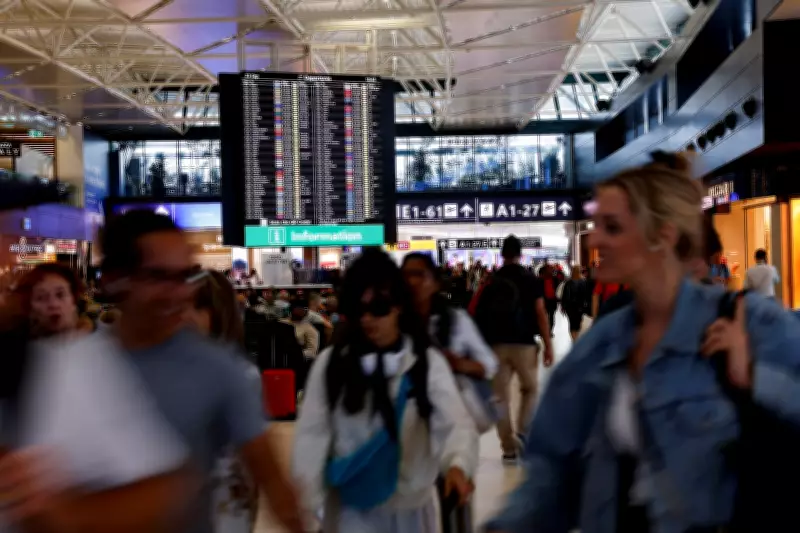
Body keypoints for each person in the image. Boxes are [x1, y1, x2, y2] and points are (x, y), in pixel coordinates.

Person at [486, 152, 800, 533]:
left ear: (662, 237)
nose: (596, 238)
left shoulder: (748, 321)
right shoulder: (602, 345)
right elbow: (553, 472)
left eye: (612, 227)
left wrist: (755, 377)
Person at [98, 209, 304, 533]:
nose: (177, 294)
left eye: (184, 276)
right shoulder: (77, 368)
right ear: (114, 280)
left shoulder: (221, 372)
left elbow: (271, 484)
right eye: (157, 276)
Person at [292, 249, 477, 533]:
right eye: (358, 310)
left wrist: (457, 465)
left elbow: (454, 423)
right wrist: (303, 507)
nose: (368, 320)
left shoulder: (424, 362)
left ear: (399, 306)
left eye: (379, 308)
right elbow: (311, 438)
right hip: (350, 515)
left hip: (412, 514)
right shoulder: (331, 366)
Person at [184, 270, 260, 533]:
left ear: (219, 312)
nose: (188, 316)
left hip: (224, 505)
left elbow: (249, 461)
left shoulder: (240, 375)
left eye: (199, 307)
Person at [472, 235, 553, 463]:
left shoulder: (491, 280)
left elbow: (479, 312)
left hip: (496, 345)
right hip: (525, 344)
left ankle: (508, 447)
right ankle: (523, 434)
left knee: (499, 397)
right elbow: (540, 313)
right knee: (530, 389)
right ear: (520, 254)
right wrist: (548, 344)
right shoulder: (530, 279)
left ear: (502, 255)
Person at [16, 263, 82, 338]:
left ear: (73, 300)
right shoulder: (19, 346)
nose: (53, 304)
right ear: (30, 308)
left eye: (60, 295)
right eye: (41, 297)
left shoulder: (95, 338)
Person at [559, 265, 588, 342]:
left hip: (570, 306)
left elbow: (564, 295)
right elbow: (585, 295)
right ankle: (576, 338)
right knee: (578, 322)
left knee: (571, 322)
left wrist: (563, 306)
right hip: (579, 306)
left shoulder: (568, 282)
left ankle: (573, 339)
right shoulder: (583, 281)